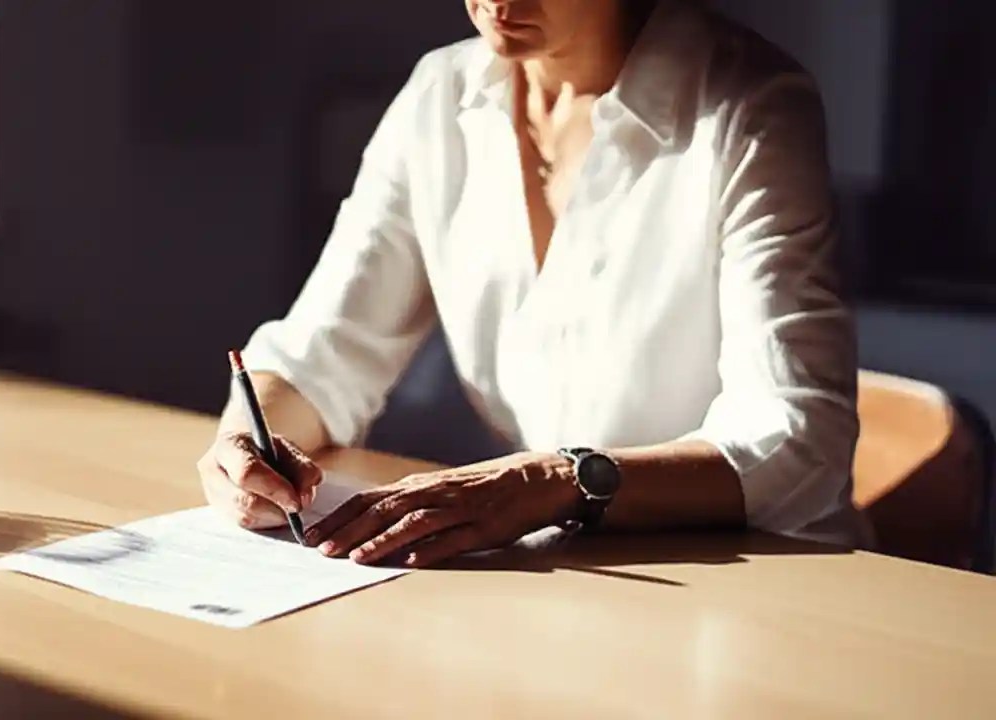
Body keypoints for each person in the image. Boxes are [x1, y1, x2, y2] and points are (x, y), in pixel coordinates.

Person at [198, 0, 868, 567]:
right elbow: (322, 355)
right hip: (574, 575)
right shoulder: (442, 97)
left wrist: (554, 481)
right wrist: (246, 447)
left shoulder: (746, 105)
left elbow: (797, 437)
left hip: (751, 578)